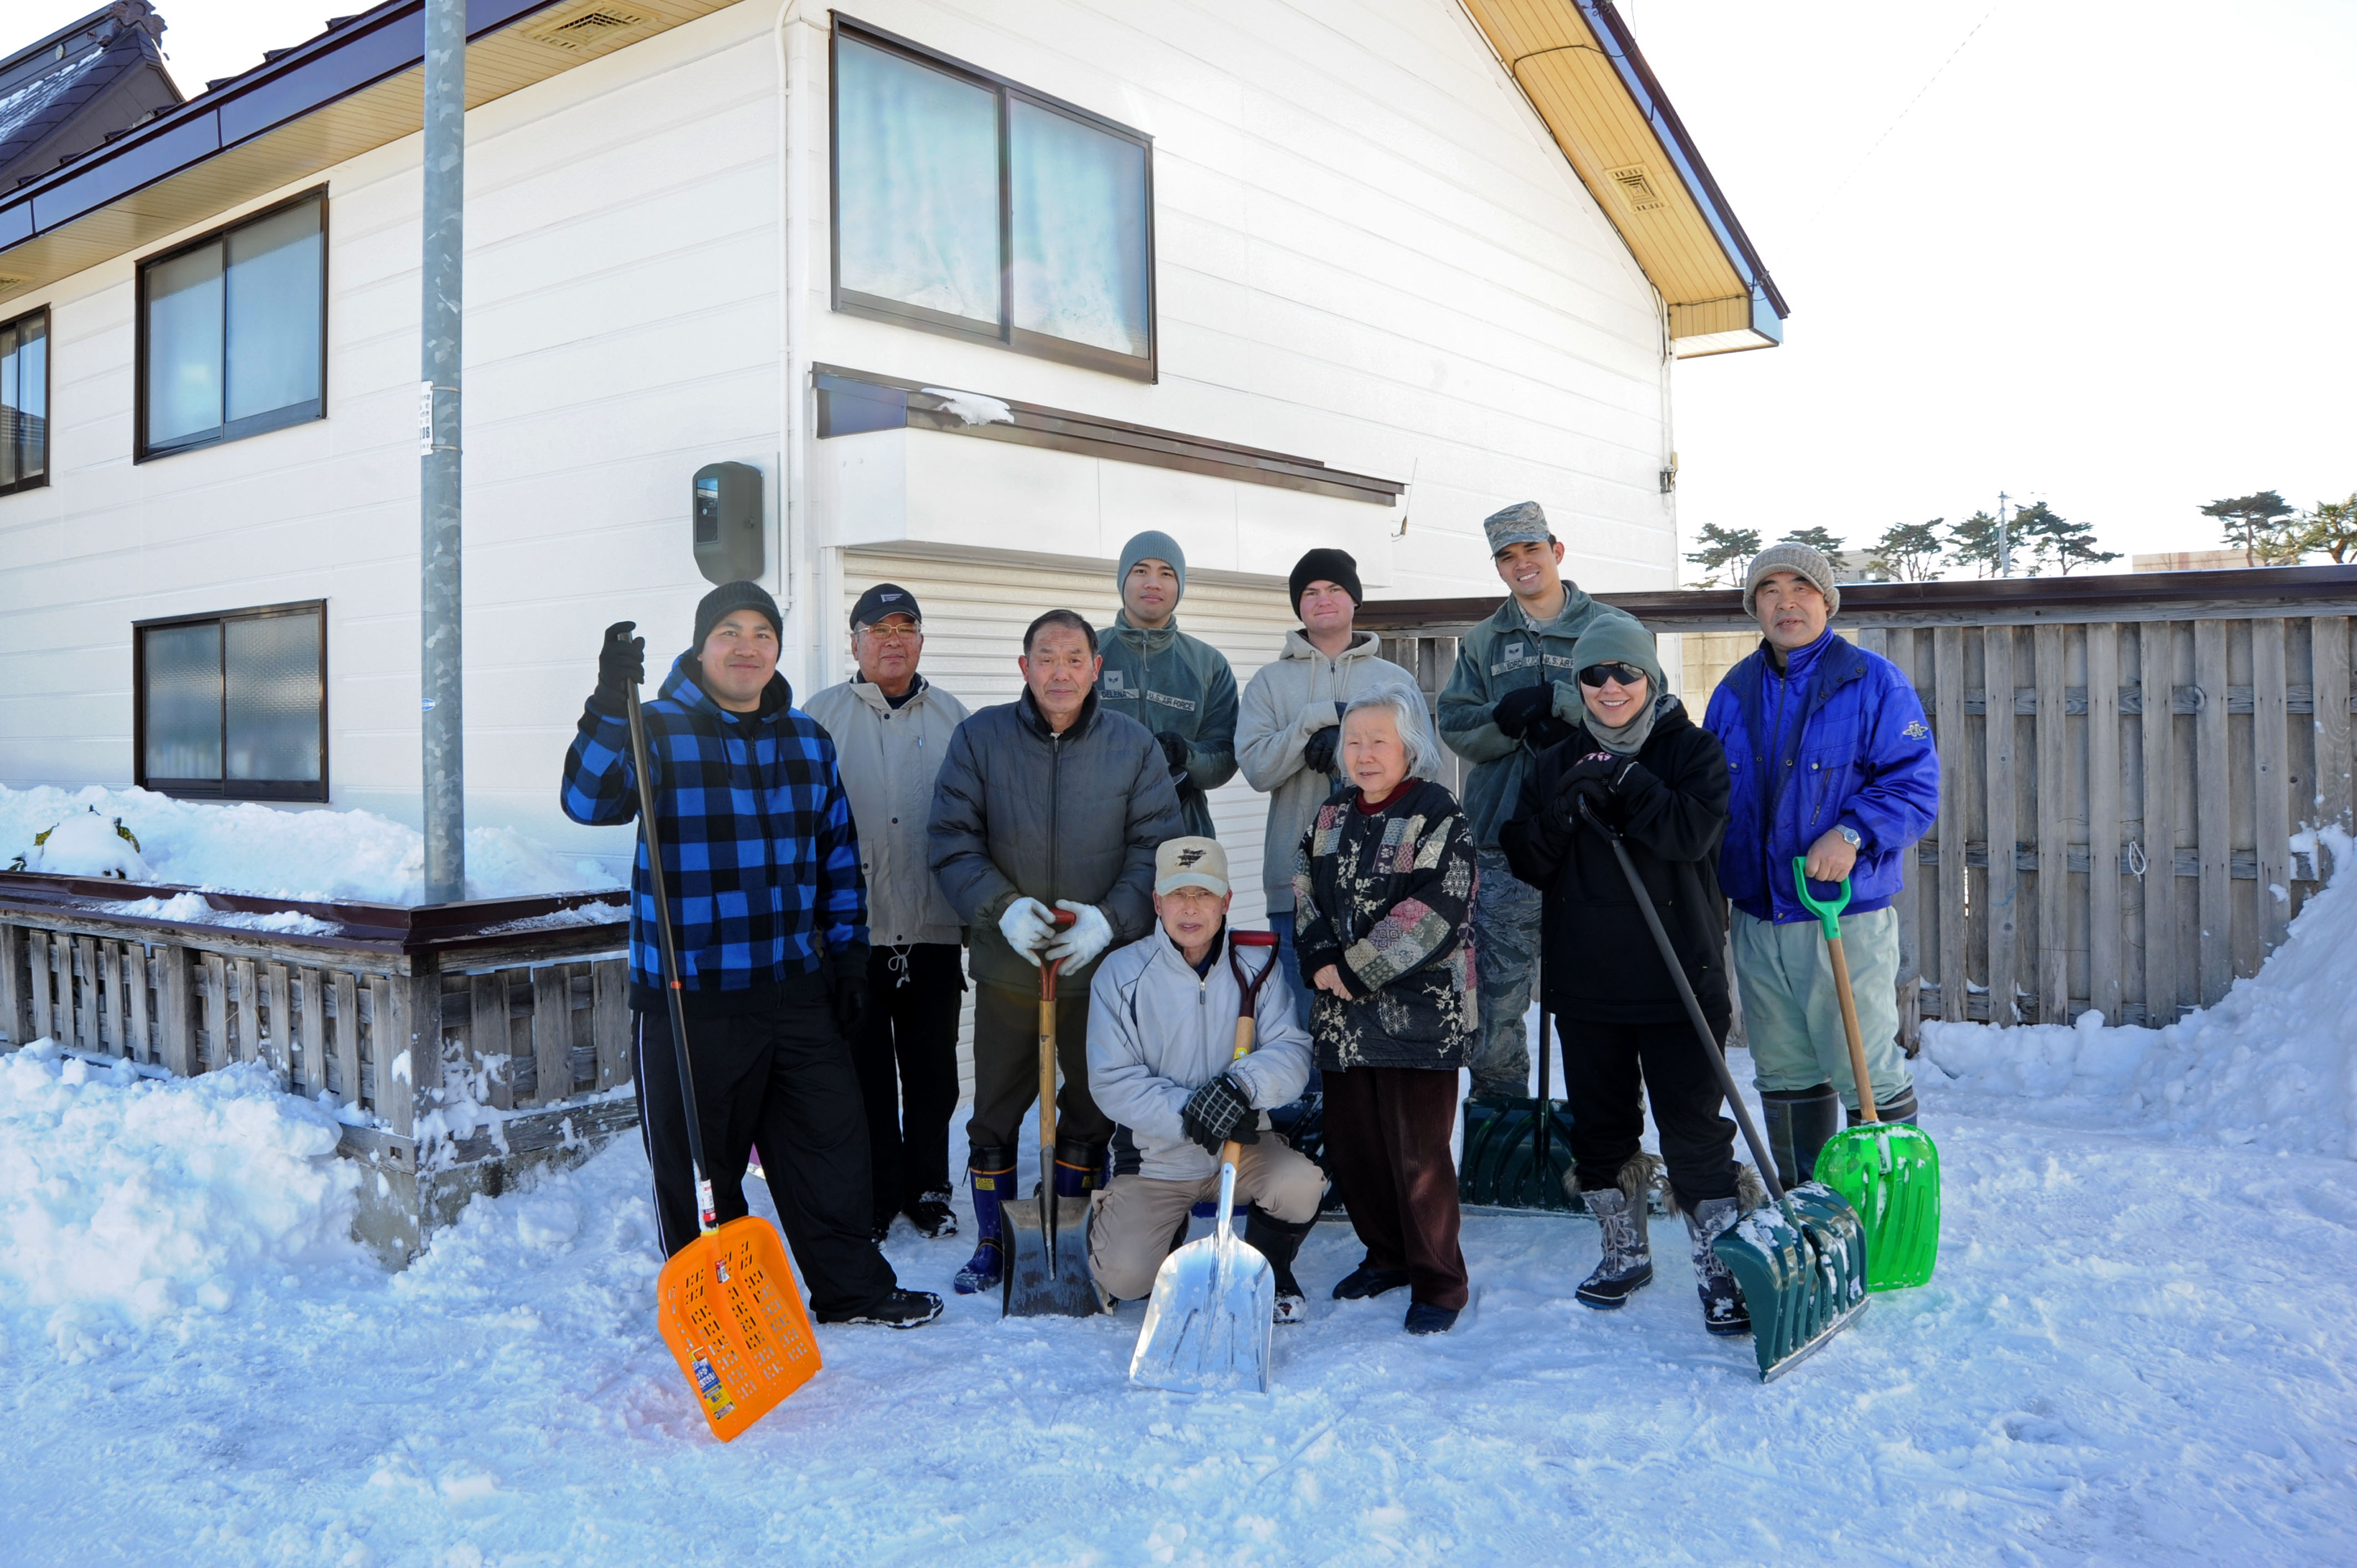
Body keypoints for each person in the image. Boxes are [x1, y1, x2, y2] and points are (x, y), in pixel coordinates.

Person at [559, 581, 939, 1328]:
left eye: (761, 633)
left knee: (831, 1150)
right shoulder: (655, 727)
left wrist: (846, 960)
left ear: (775, 651)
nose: (745, 645)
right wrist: (608, 701)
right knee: (703, 1167)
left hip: (796, 990)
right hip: (692, 994)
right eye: (728, 631)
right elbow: (588, 799)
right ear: (702, 647)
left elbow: (836, 857)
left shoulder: (805, 738)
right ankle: (725, 1311)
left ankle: (852, 1288)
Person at [1498, 618, 1751, 1335]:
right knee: (1601, 1131)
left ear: (1651, 678)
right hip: (1589, 981)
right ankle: (1623, 1250)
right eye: (1594, 676)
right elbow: (1526, 857)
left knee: (1694, 1133)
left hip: (1680, 977)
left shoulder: (1693, 751)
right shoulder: (1553, 761)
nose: (1610, 688)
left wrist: (1631, 782)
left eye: (1625, 673)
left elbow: (1691, 835)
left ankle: (1720, 1265)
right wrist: (1565, 811)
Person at [928, 609, 1185, 1294]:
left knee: (1093, 1106)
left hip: (1098, 973)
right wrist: (1001, 909)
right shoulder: (978, 739)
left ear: (1096, 668)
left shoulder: (1132, 746)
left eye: (1075, 658)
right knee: (995, 1109)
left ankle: (1071, 1225)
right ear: (1023, 668)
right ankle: (993, 1240)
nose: (1060, 671)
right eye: (1046, 657)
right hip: (1009, 970)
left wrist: (1109, 920)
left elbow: (1155, 848)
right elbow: (952, 839)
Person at [1702, 542, 1939, 1188]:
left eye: (1800, 588)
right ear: (1753, 607)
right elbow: (1709, 798)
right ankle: (1808, 1207)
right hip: (1757, 914)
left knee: (1860, 1061)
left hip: (1839, 915)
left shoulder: (1871, 681)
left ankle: (1882, 1205)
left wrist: (1853, 831)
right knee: (1781, 1068)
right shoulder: (1733, 692)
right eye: (1769, 591)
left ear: (1827, 601)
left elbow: (1914, 786)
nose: (1785, 602)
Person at [1435, 502, 1644, 1102]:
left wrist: (1560, 704)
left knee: (1598, 987)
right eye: (1506, 556)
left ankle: (1604, 1120)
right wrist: (1508, 724)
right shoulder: (1483, 641)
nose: (1521, 564)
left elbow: (1642, 710)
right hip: (1504, 841)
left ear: (1556, 551)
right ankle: (1502, 1115)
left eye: (1530, 550)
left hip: (1595, 839)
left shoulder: (1608, 627)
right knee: (1495, 991)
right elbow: (1455, 724)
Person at [1293, 688, 1479, 1334]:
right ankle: (1386, 1255)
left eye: (1378, 741)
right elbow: (1303, 890)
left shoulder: (1436, 813)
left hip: (1418, 1019)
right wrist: (1319, 954)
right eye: (1353, 742)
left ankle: (1438, 1281)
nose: (1364, 754)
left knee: (1418, 1157)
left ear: (1409, 747)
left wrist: (1351, 968)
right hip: (1343, 1021)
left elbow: (1436, 910)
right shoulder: (1330, 814)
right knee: (1356, 1150)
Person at [1085, 837, 1321, 1321]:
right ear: (1157, 901)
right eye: (1177, 894)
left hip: (1243, 1147)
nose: (1190, 909)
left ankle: (1269, 1270)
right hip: (1157, 1161)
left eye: (1204, 894)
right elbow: (1111, 1079)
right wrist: (1191, 1112)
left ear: (1226, 901)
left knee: (1301, 1185)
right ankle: (1156, 1234)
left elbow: (1292, 1053)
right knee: (1125, 1276)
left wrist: (1240, 1088)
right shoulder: (1121, 976)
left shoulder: (1258, 966)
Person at [804, 584, 972, 1245]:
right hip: (853, 937)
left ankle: (928, 1187)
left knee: (933, 1078)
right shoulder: (817, 719)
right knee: (863, 1077)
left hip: (931, 933)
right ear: (854, 643)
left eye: (905, 628)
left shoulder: (957, 719)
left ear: (921, 641)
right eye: (877, 630)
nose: (892, 640)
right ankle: (875, 1191)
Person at [1236, 547, 1421, 1009]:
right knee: (1301, 1022)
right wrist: (1309, 726)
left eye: (1335, 589)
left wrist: (1351, 748)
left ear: (1355, 599)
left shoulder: (1395, 679)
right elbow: (1258, 770)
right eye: (1311, 592)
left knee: (1374, 1020)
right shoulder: (1269, 682)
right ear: (1298, 605)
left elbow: (1422, 768)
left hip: (1383, 879)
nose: (1323, 599)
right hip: (1294, 886)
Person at [1098, 530, 1239, 840]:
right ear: (1123, 580)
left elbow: (1226, 757)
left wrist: (1186, 756)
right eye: (1140, 571)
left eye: (1166, 573)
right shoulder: (1086, 653)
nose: (1153, 583)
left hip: (1182, 833)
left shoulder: (1208, 664)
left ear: (1180, 586)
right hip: (1097, 836)